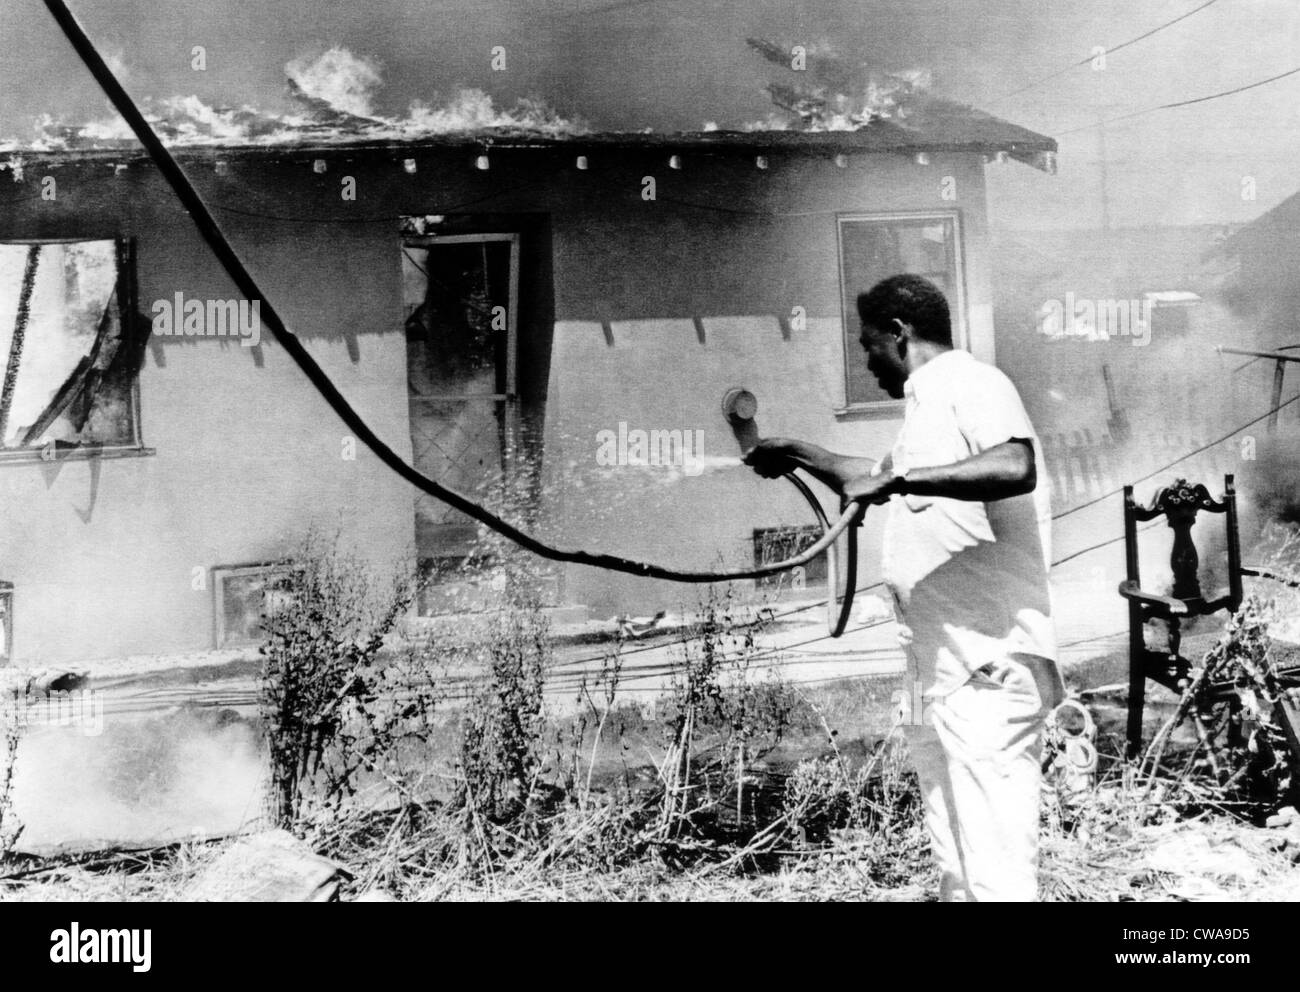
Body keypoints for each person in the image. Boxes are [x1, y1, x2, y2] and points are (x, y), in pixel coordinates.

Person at [745, 273, 1064, 901]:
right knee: (954, 857)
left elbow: (1014, 463)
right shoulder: (926, 408)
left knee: (998, 866)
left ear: (899, 332)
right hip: (934, 670)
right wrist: (800, 451)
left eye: (868, 346)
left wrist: (900, 482)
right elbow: (873, 476)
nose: (866, 364)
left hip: (987, 664)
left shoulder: (975, 382)